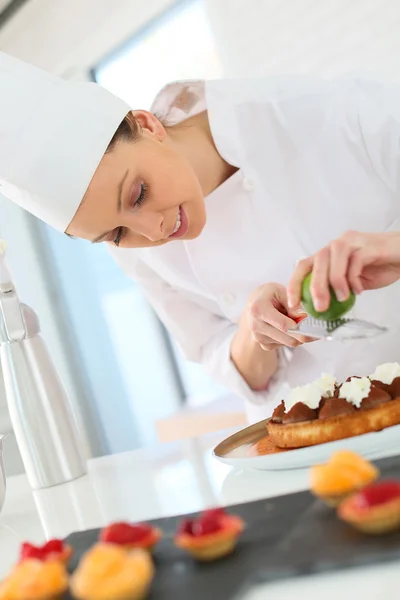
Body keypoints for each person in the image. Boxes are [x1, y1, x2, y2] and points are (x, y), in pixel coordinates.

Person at [1, 52, 400, 423]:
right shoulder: (133, 252)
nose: (152, 230)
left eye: (138, 193)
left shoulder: (322, 113)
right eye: (117, 233)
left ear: (148, 125)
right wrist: (254, 328)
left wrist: (390, 248)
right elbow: (217, 355)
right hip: (313, 448)